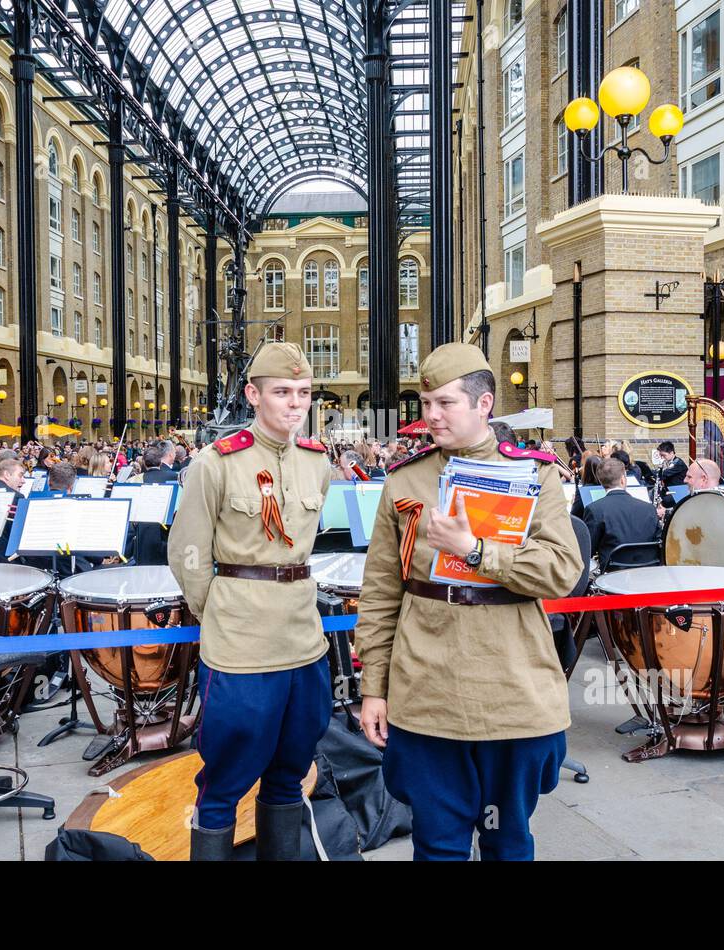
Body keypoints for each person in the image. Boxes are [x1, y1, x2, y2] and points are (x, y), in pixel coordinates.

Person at [354, 343, 583, 861]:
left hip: (513, 690)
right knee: (437, 846)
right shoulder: (405, 481)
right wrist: (373, 688)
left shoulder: (536, 475)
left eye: (445, 403)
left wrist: (476, 551)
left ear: (484, 404)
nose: (431, 415)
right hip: (428, 690)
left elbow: (562, 572)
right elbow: (382, 592)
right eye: (425, 402)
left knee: (509, 841)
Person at [168, 342, 333, 861]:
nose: (294, 404)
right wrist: (220, 611)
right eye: (282, 392)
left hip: (304, 643)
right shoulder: (217, 462)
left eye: (303, 393)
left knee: (288, 776)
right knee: (221, 785)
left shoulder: (316, 462)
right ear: (253, 395)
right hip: (241, 647)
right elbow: (188, 552)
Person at [583, 458, 661, 572]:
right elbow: (659, 542)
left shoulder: (594, 509)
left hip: (613, 573)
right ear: (623, 480)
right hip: (649, 570)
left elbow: (588, 550)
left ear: (601, 481)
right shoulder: (649, 508)